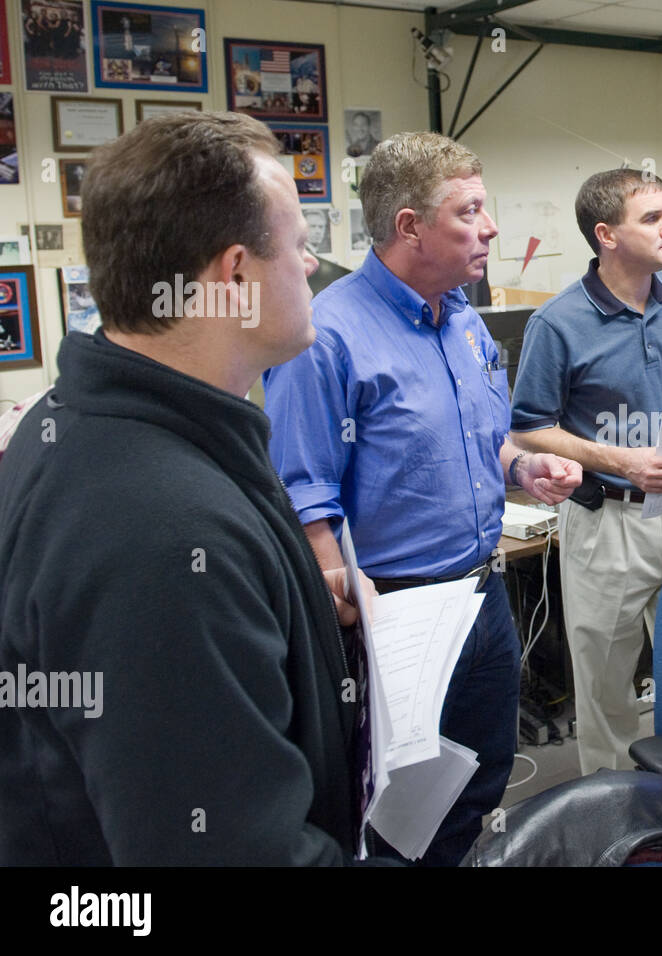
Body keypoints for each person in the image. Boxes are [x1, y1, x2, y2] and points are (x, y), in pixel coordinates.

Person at [0, 111, 374, 865]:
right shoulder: (163, 531)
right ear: (234, 276)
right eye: (300, 247)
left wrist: (295, 609)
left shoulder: (102, 422)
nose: (311, 268)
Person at [263, 131, 581, 866]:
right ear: (410, 227)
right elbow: (302, 489)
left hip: (482, 598)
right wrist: (346, 612)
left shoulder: (463, 319)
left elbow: (483, 441)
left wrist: (524, 470)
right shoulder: (327, 336)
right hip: (393, 615)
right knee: (393, 811)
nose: (491, 226)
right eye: (470, 211)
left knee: (476, 781)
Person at [510, 169, 662, 778]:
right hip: (607, 526)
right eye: (652, 218)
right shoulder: (557, 324)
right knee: (608, 685)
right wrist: (624, 461)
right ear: (606, 235)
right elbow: (529, 427)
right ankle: (616, 811)